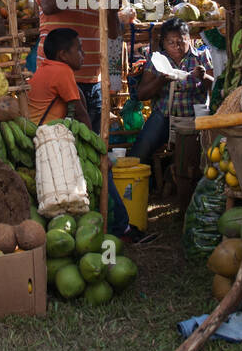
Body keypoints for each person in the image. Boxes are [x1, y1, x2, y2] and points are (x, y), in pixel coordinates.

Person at [30, 28, 155, 244]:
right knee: (102, 168)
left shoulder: (46, 69)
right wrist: (98, 148)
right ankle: (121, 227)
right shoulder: (61, 71)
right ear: (63, 55)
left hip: (46, 137)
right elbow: (80, 112)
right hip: (50, 142)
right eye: (78, 49)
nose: (83, 54)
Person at [36, 0, 134, 133]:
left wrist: (112, 12)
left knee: (91, 142)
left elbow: (113, 34)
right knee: (60, 139)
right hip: (58, 82)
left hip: (93, 84)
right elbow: (47, 5)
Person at [129, 18, 214, 167]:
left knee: (208, 155)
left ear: (188, 39)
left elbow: (215, 87)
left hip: (194, 117)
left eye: (181, 41)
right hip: (164, 116)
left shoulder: (201, 57)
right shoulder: (157, 60)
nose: (177, 47)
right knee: (139, 153)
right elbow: (142, 94)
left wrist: (204, 76)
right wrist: (160, 81)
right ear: (164, 42)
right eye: (171, 43)